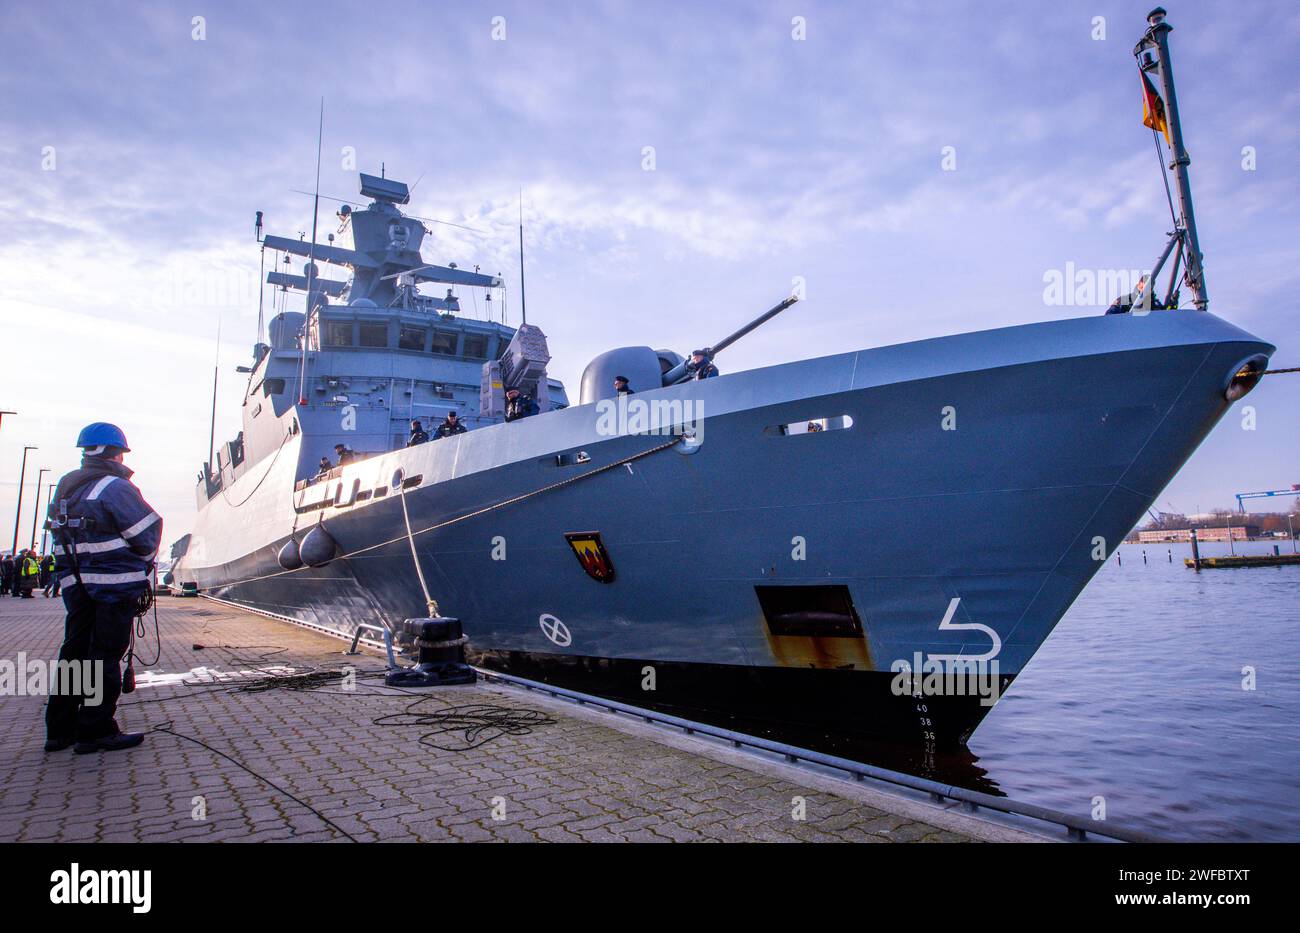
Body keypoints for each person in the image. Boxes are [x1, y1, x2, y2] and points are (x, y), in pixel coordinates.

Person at [44, 422, 161, 755]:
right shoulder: (115, 487)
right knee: (105, 655)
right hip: (112, 587)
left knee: (74, 652)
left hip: (76, 585)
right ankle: (95, 730)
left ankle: (60, 729)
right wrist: (142, 564)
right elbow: (146, 532)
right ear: (116, 452)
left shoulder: (68, 486)